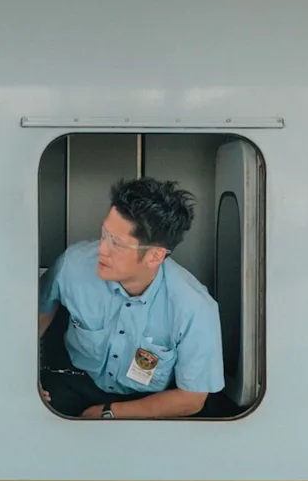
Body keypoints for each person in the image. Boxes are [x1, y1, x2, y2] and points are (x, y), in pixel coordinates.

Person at [38, 177, 224, 419]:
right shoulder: (72, 265)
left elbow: (192, 399)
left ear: (155, 257)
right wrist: (28, 384)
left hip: (150, 399)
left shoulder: (195, 307)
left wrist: (109, 413)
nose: (102, 249)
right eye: (104, 234)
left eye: (117, 244)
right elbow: (37, 320)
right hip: (76, 379)